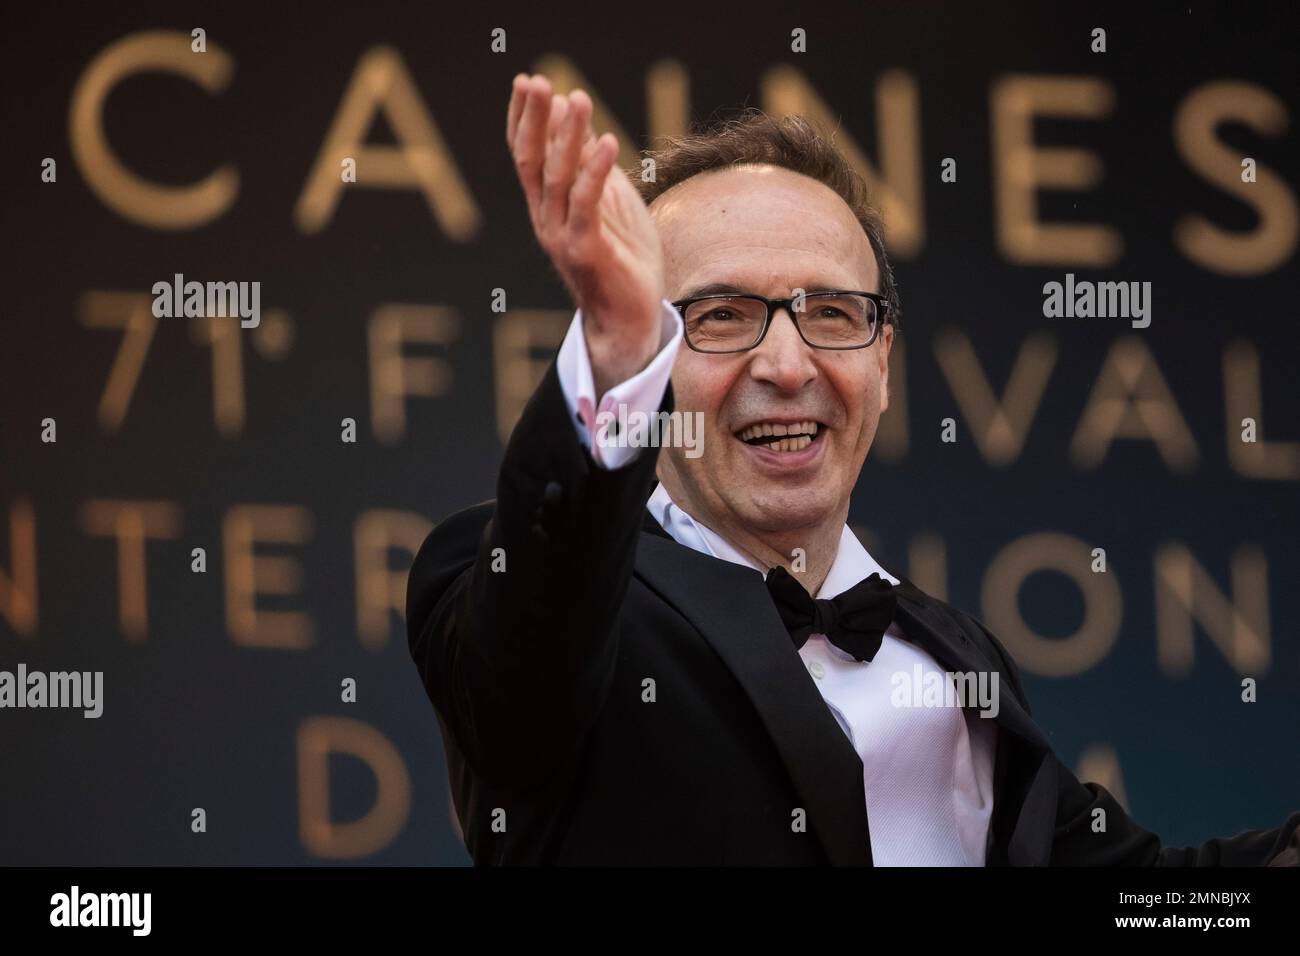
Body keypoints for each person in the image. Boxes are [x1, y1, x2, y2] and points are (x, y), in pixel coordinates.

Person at [405, 73, 1299, 865]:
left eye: (832, 312)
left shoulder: (955, 656)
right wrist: (613, 350)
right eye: (719, 315)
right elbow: (525, 673)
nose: (788, 365)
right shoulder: (550, 603)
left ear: (882, 368)